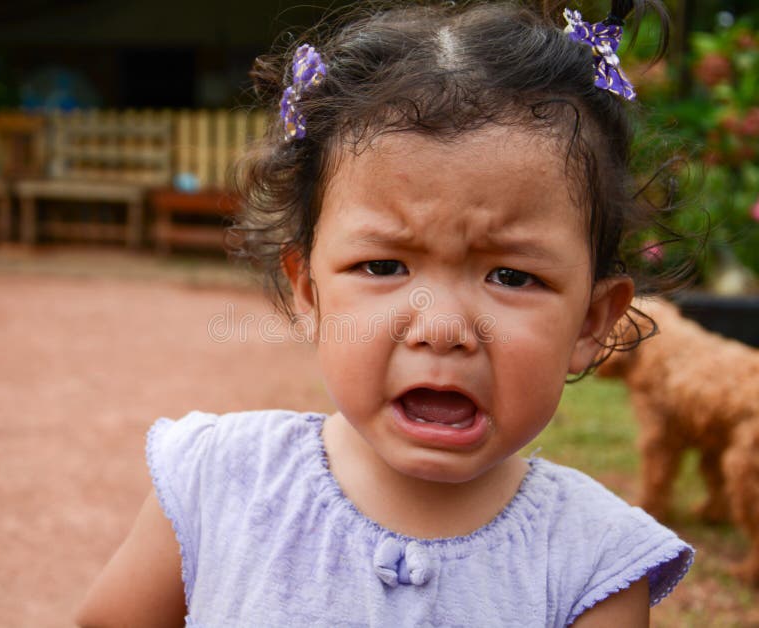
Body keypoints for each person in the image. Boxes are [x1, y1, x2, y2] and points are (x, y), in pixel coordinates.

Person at [76, 1, 694, 625]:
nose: (443, 329)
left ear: (593, 321)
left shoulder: (595, 567)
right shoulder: (218, 483)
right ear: (311, 293)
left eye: (511, 275)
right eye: (383, 266)